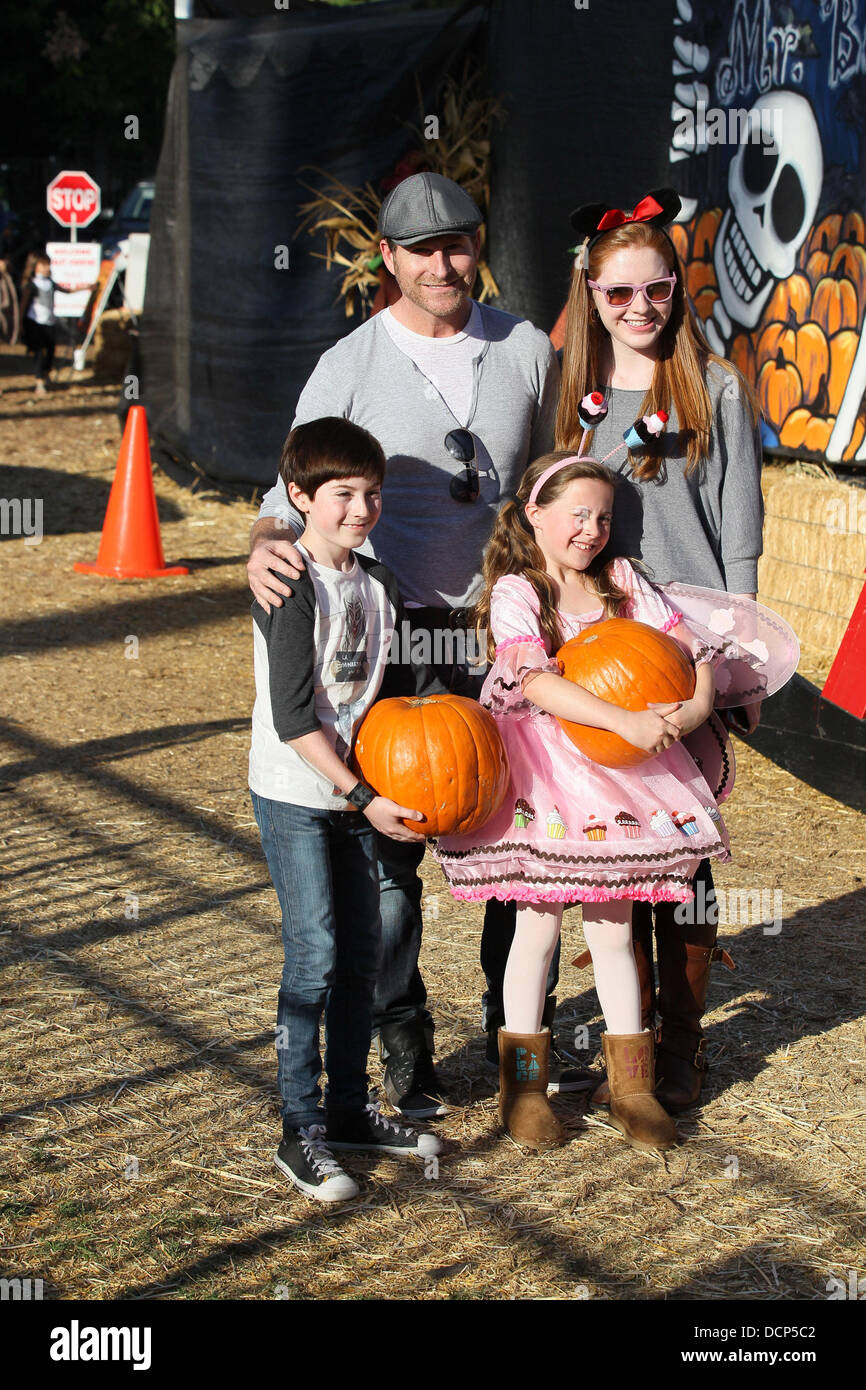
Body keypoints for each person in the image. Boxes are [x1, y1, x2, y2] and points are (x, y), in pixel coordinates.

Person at [247, 171, 570, 1116]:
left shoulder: (522, 349)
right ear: (386, 258)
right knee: (390, 866)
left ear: (479, 244)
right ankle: (407, 1057)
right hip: (388, 642)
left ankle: (524, 1064)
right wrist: (256, 557)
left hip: (499, 635)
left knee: (521, 855)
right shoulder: (350, 360)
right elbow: (287, 492)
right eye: (420, 248)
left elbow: (547, 479)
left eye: (459, 242)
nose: (443, 263)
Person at [431, 428, 795, 1152]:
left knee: (615, 928)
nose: (591, 530)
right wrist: (626, 721)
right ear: (534, 515)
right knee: (536, 929)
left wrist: (694, 708)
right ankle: (524, 1085)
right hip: (547, 779)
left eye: (602, 517)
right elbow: (533, 679)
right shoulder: (518, 591)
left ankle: (631, 1084)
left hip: (625, 781)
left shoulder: (623, 581)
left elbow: (690, 648)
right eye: (577, 514)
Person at [555, 187, 766, 1112]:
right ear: (591, 293)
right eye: (619, 294)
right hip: (596, 651)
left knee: (686, 850)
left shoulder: (713, 385)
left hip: (689, 647)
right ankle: (626, 1040)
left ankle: (681, 1046)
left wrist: (741, 652)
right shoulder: (571, 395)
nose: (640, 309)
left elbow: (740, 528)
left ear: (678, 290)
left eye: (657, 291)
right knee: (613, 847)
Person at [250, 416, 442, 1201]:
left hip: (358, 795)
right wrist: (368, 798)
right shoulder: (288, 580)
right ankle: (300, 1132)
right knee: (316, 954)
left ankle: (349, 1110)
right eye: (341, 495)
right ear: (298, 497)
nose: (360, 508)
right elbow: (297, 718)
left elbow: (388, 696)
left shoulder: (377, 581)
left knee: (363, 955)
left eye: (371, 493)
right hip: (300, 793)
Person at [20, 253, 56, 397]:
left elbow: (66, 290)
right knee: (39, 353)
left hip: (49, 321)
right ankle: (39, 381)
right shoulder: (32, 284)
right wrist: (20, 323)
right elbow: (23, 305)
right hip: (35, 322)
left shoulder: (50, 283)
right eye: (43, 265)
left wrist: (86, 287)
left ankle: (46, 374)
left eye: (48, 264)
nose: (46, 267)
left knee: (51, 350)